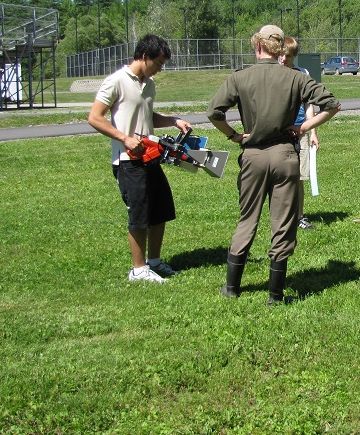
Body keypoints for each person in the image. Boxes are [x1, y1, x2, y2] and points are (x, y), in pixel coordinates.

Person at [206, 25, 340, 304]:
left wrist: (233, 136)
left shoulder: (240, 77)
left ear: (257, 47)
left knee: (247, 219)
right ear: (280, 49)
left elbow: (214, 112)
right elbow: (332, 104)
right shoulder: (295, 78)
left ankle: (232, 288)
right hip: (284, 156)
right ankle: (275, 295)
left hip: (252, 156)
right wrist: (304, 127)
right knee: (283, 224)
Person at [88, 34, 192, 283]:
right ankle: (138, 270)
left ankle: (154, 262)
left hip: (151, 156)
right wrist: (124, 138)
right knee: (140, 214)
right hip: (128, 160)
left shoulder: (149, 83)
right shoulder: (116, 81)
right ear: (144, 57)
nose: (159, 69)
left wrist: (173, 120)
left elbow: (147, 114)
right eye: (157, 63)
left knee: (162, 209)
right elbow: (95, 117)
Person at [279, 36, 319, 230]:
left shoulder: (303, 73)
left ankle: (299, 217)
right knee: (282, 176)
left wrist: (312, 132)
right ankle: (282, 217)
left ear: (294, 55)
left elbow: (309, 105)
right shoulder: (274, 74)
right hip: (280, 132)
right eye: (281, 55)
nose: (283, 59)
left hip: (301, 130)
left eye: (288, 55)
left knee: (300, 177)